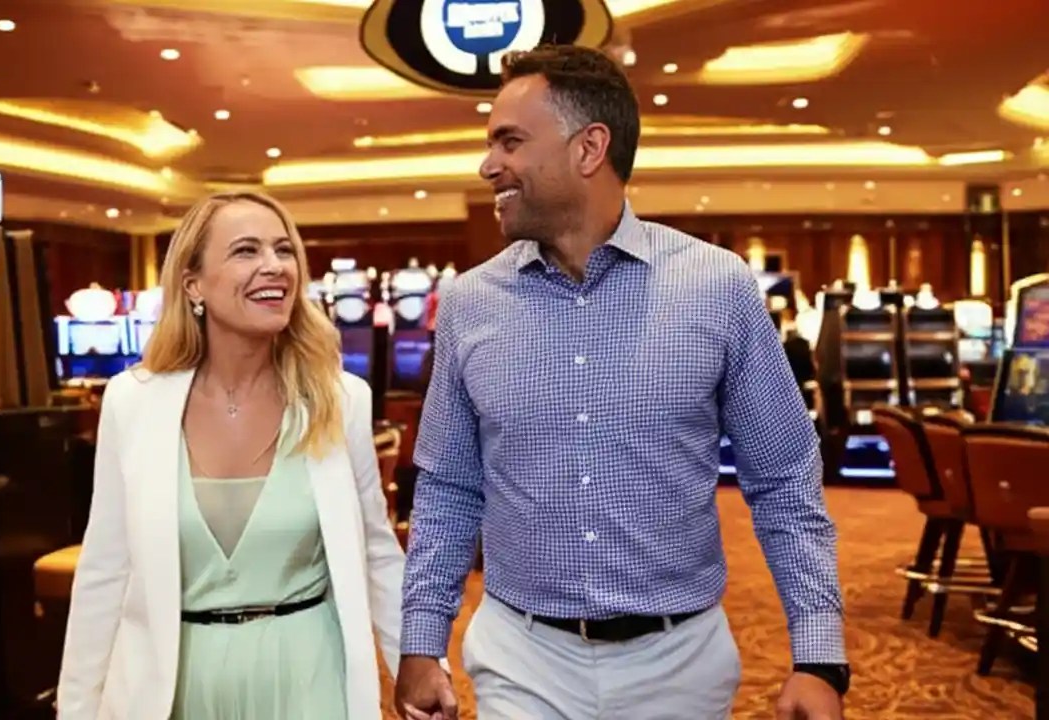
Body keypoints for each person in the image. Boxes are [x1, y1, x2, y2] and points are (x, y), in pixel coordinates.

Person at [395, 45, 849, 720]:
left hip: (679, 662)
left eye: (510, 141)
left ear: (589, 148)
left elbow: (784, 478)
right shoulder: (469, 303)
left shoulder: (716, 287)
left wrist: (819, 658)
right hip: (521, 657)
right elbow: (449, 487)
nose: (488, 165)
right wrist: (420, 643)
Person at [57, 191, 417, 719]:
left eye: (283, 250)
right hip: (172, 685)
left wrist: (417, 665)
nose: (273, 266)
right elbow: (104, 570)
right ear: (193, 283)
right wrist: (77, 707)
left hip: (307, 677)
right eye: (246, 251)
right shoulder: (132, 400)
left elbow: (378, 554)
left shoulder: (340, 399)